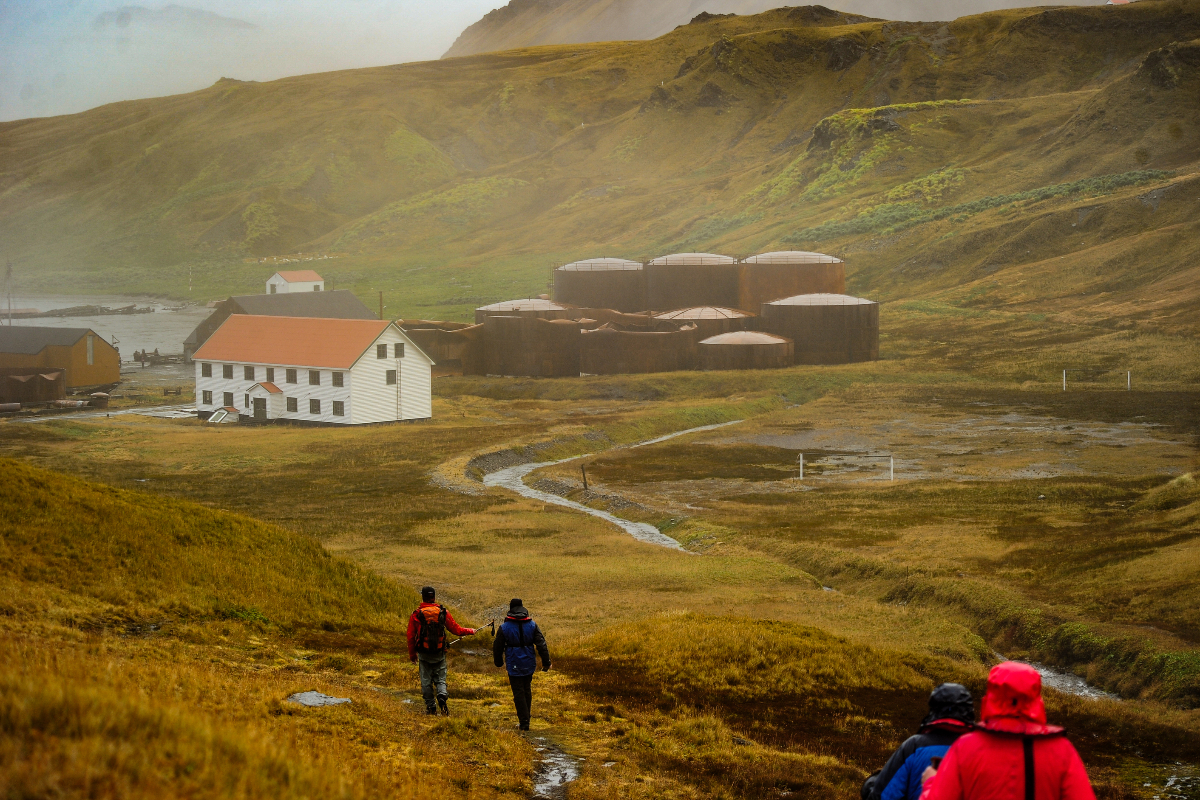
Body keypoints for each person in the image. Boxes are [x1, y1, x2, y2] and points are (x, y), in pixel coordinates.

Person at [920, 661, 1096, 800]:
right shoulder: (1061, 751)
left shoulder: (966, 748)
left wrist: (931, 782)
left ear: (990, 697)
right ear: (1036, 698)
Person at [864, 683, 975, 800]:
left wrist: (870, 785)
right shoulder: (979, 750)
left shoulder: (913, 747)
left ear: (933, 708)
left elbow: (883, 796)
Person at [406, 586, 476, 716]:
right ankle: (442, 695)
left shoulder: (416, 614)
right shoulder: (443, 612)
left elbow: (410, 636)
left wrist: (412, 655)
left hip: (424, 654)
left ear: (423, 597)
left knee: (426, 681)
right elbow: (456, 630)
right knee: (441, 679)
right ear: (434, 597)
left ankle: (431, 708)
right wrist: (470, 631)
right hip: (439, 653)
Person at [493, 598, 551, 731]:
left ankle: (524, 723)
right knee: (526, 689)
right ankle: (526, 719)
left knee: (518, 692)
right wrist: (546, 662)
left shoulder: (504, 627)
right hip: (529, 662)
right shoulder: (532, 625)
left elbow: (497, 646)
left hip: (513, 663)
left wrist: (498, 662)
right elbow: (541, 644)